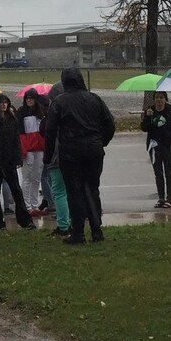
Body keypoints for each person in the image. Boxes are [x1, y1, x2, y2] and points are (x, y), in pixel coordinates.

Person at [45, 68, 115, 245]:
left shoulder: (59, 102)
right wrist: (101, 141)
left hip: (70, 152)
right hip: (94, 150)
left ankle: (78, 233)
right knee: (92, 189)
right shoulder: (94, 99)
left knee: (74, 192)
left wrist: (48, 156)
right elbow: (109, 123)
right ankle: (96, 230)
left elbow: (50, 131)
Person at [0, 96, 35, 232]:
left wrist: (18, 158)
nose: (4, 105)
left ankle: (25, 220)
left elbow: (16, 140)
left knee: (16, 190)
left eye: (6, 102)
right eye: (1, 103)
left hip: (9, 160)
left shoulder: (12, 119)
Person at [140, 91, 171, 209]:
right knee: (158, 173)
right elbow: (144, 128)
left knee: (169, 172)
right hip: (154, 146)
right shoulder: (150, 111)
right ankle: (161, 198)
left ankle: (169, 198)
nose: (159, 100)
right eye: (157, 97)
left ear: (165, 99)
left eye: (161, 97)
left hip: (168, 146)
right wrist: (147, 117)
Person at [16, 89, 47, 214]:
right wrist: (23, 149)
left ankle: (34, 205)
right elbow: (20, 133)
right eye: (27, 98)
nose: (29, 100)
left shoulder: (42, 113)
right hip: (27, 149)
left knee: (36, 178)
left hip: (39, 148)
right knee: (27, 178)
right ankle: (27, 206)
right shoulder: (21, 112)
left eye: (31, 98)